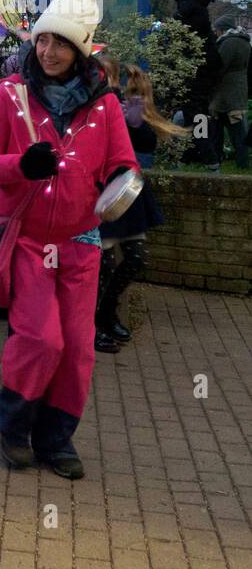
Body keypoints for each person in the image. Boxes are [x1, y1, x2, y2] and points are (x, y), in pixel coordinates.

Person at [0, 0, 137, 480]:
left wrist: (120, 186)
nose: (48, 50)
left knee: (79, 348)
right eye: (43, 39)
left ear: (80, 49)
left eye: (61, 42)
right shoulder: (8, 96)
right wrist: (22, 164)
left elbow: (122, 163)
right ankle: (15, 429)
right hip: (27, 241)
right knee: (42, 340)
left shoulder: (104, 105)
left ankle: (56, 438)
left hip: (82, 242)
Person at [94, 60, 185, 352]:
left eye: (112, 75)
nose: (110, 80)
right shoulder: (87, 106)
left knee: (136, 257)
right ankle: (97, 322)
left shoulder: (120, 104)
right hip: (100, 192)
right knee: (103, 267)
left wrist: (136, 124)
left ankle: (108, 311)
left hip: (127, 190)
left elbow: (147, 145)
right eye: (104, 74)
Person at [173, 0, 221, 167]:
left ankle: (209, 159)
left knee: (195, 114)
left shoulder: (188, 8)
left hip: (197, 70)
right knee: (192, 113)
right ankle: (190, 156)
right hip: (203, 69)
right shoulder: (199, 9)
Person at [211, 15, 250, 169]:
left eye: (217, 30)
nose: (216, 33)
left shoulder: (229, 43)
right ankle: (242, 162)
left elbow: (220, 66)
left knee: (234, 131)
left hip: (227, 93)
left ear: (222, 29)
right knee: (238, 130)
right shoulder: (244, 41)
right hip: (238, 90)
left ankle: (239, 162)